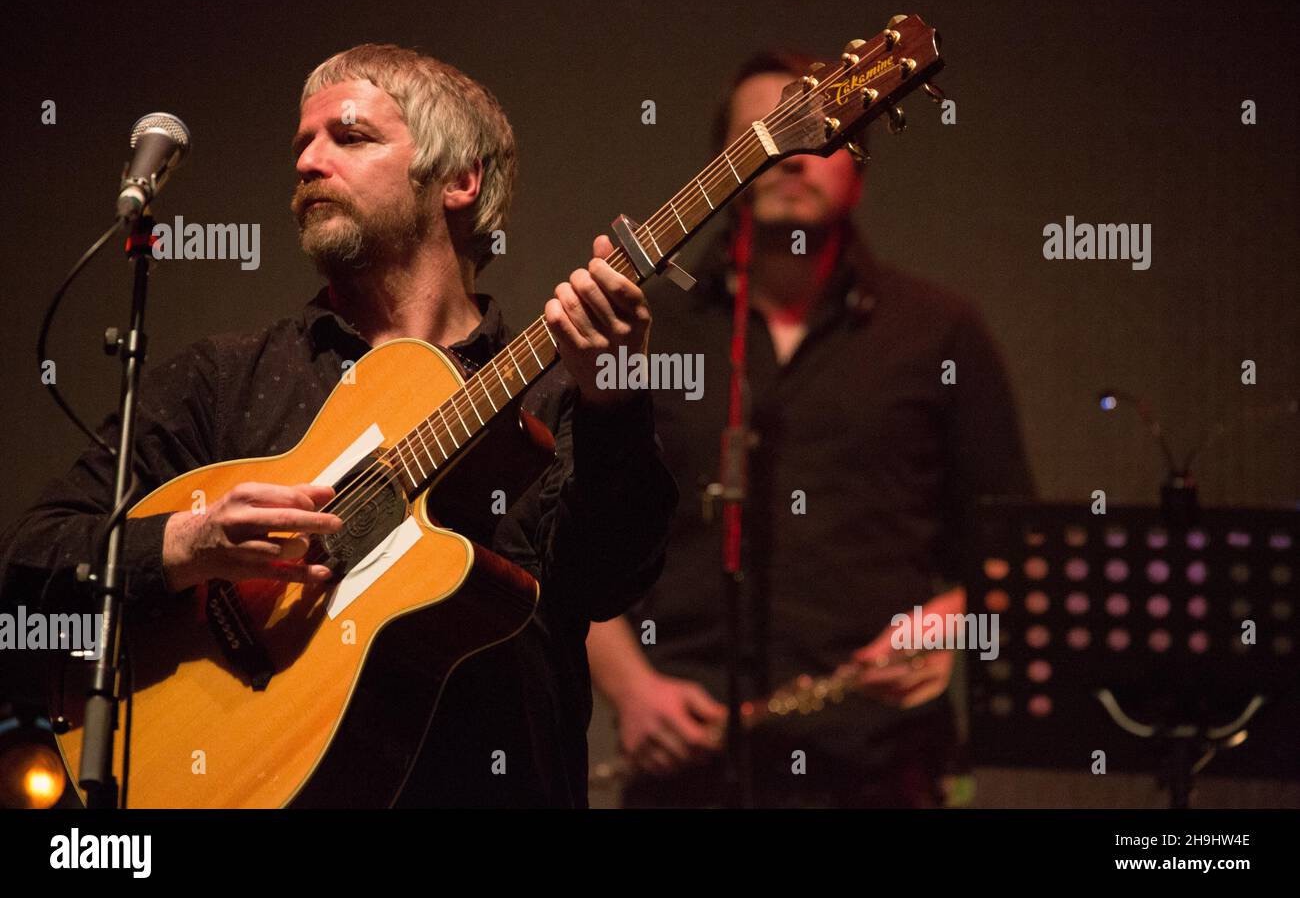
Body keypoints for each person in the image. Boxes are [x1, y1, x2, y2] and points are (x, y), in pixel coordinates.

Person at [0, 44, 677, 807]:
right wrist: (185, 545)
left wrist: (616, 395)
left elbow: (608, 578)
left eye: (349, 138)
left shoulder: (559, 390)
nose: (309, 163)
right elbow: (29, 565)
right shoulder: (223, 382)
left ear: (460, 179)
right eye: (302, 145)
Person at [586, 50, 1035, 808]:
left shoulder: (938, 330)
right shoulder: (645, 330)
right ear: (723, 169)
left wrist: (947, 628)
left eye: (825, 130)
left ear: (860, 165)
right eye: (766, 133)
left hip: (879, 765)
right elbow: (574, 538)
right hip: (682, 769)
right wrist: (632, 691)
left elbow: (1012, 546)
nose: (795, 155)